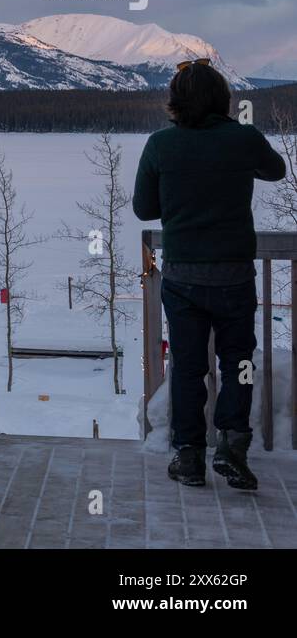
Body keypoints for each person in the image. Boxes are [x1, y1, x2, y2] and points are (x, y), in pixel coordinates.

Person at [133, 59, 285, 490]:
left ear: (176, 103)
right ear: (223, 99)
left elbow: (145, 209)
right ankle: (233, 445)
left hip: (182, 279)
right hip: (234, 276)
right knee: (239, 363)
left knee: (187, 368)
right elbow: (276, 170)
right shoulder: (243, 139)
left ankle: (189, 456)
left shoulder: (160, 145)